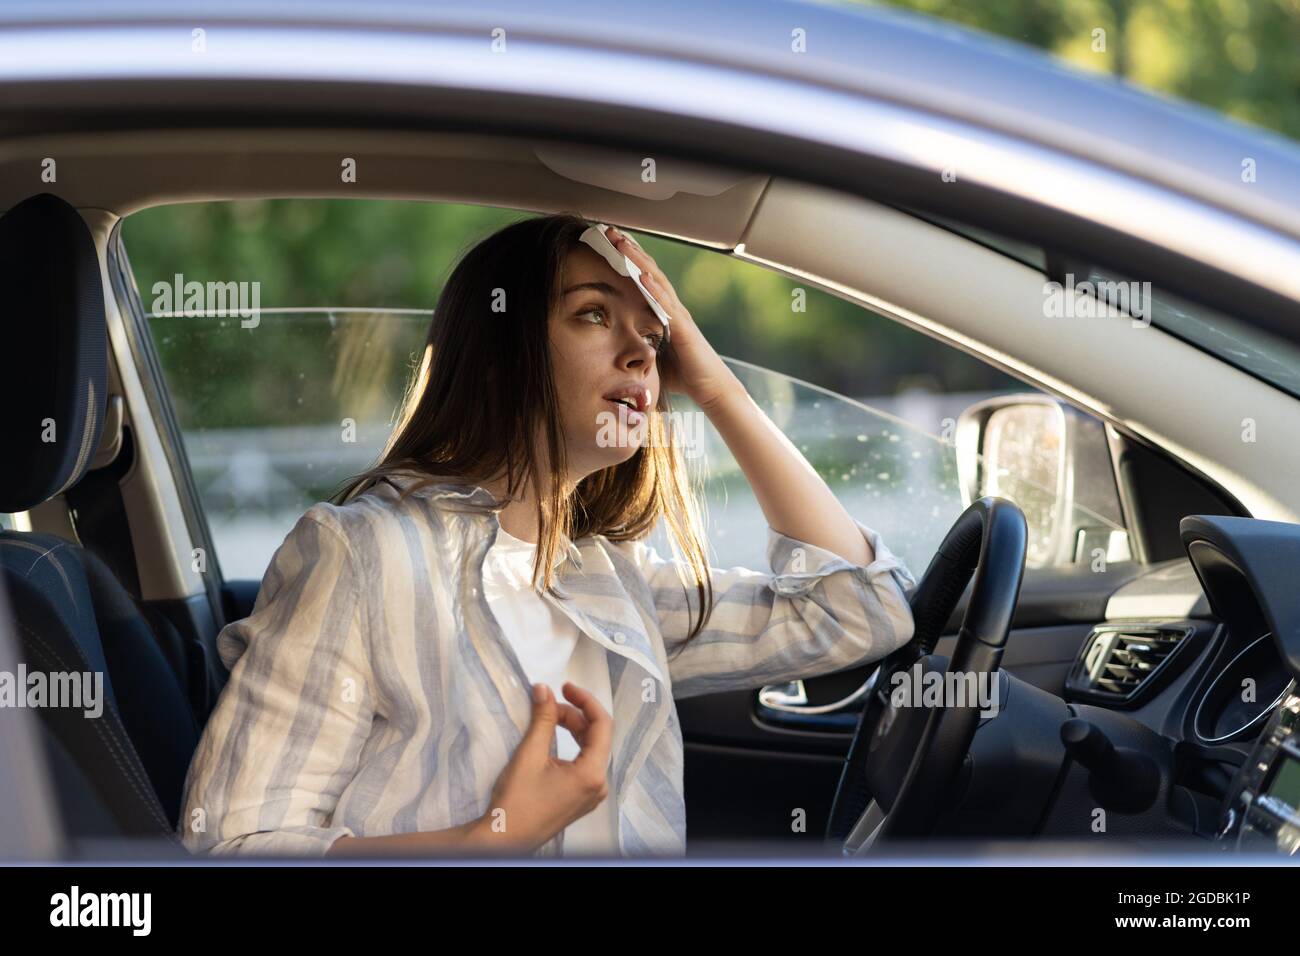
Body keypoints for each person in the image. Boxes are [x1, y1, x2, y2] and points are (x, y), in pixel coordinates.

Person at [177, 213, 917, 859]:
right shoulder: (363, 555)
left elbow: (860, 609)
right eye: (594, 315)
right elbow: (228, 844)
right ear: (499, 355)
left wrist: (718, 386)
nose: (640, 355)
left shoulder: (612, 580)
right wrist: (491, 840)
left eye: (654, 339)